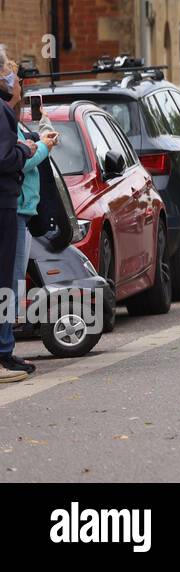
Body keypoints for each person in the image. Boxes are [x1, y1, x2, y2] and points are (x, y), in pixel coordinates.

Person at [0, 61, 37, 383]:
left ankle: (5, 349)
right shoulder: (1, 111)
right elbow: (5, 158)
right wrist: (26, 150)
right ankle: (1, 353)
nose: (14, 79)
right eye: (9, 72)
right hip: (5, 204)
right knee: (5, 280)